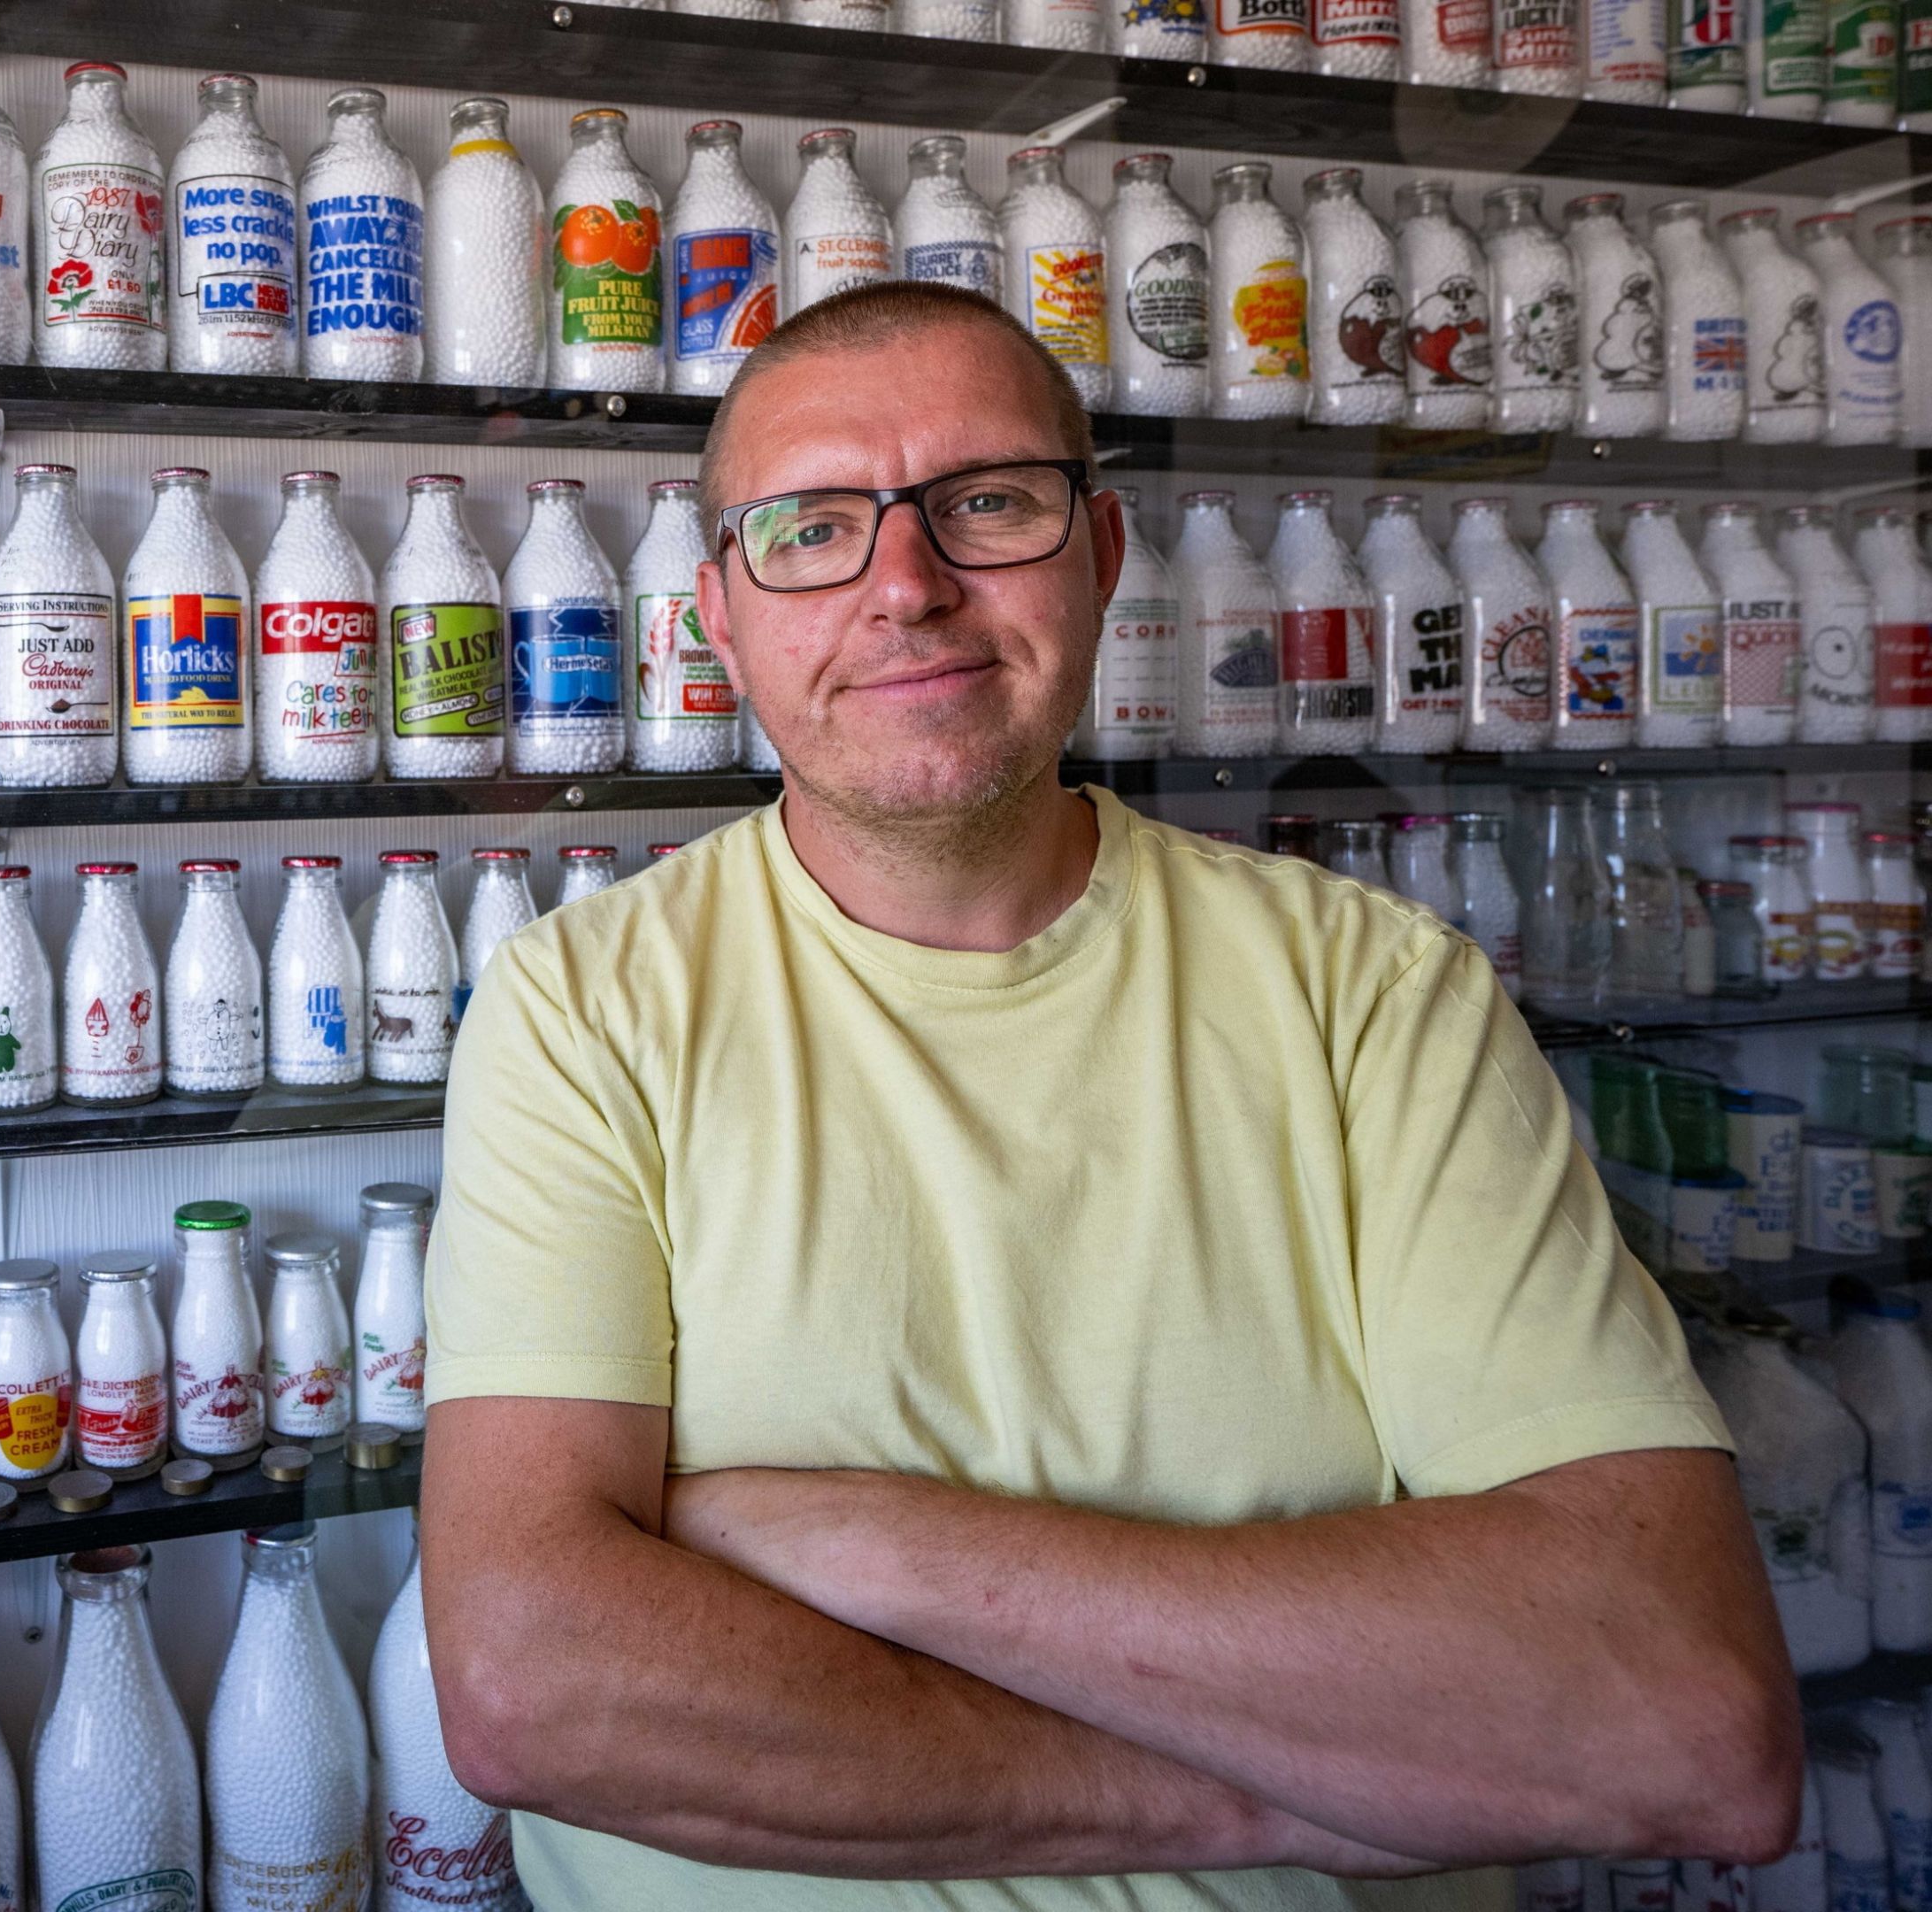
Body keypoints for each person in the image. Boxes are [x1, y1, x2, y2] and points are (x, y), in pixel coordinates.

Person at [415, 280, 1800, 1912]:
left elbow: (1684, 1720)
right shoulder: (585, 1009)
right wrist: (1259, 1804)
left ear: (1103, 554)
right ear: (717, 616)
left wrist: (861, 1544)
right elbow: (533, 1688)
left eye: (987, 504)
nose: (906, 588)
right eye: (810, 530)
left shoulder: (1373, 991)